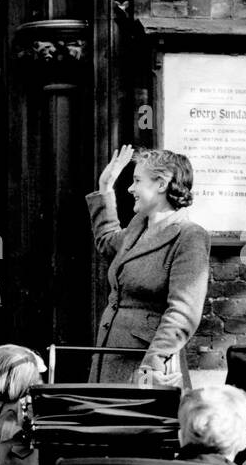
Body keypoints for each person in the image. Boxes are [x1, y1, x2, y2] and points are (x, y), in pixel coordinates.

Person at [87, 146, 210, 387]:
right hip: (110, 358)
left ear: (161, 184)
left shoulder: (189, 236)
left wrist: (152, 366)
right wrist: (105, 188)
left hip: (148, 369)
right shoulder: (138, 226)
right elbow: (107, 242)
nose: (131, 189)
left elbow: (182, 313)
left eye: (137, 181)